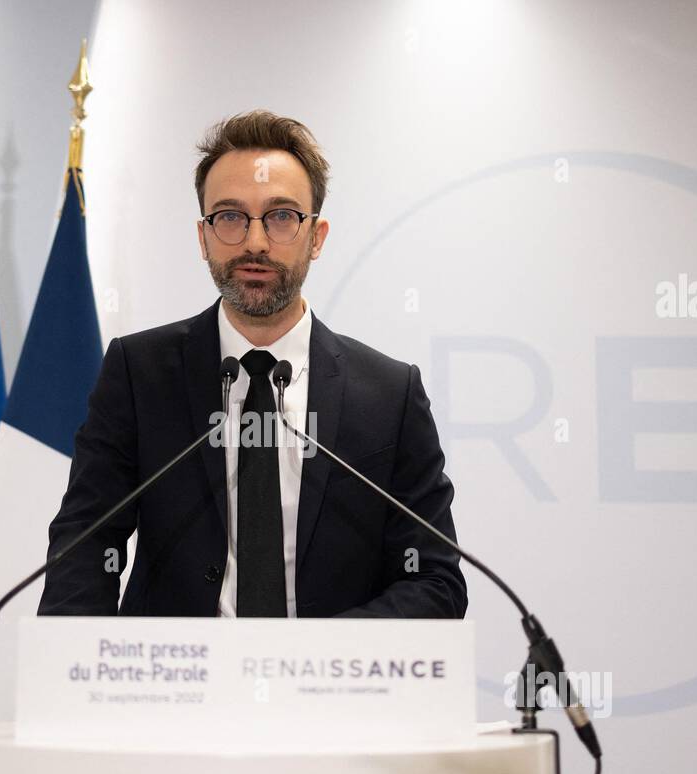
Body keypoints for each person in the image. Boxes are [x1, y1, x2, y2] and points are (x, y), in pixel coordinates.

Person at [37, 110, 466, 618]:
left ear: (318, 236)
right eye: (231, 216)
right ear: (203, 237)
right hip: (171, 685)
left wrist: (315, 662)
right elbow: (85, 546)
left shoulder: (390, 394)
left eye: (282, 216)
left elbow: (434, 580)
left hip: (331, 688)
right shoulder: (138, 374)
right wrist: (85, 674)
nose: (255, 242)